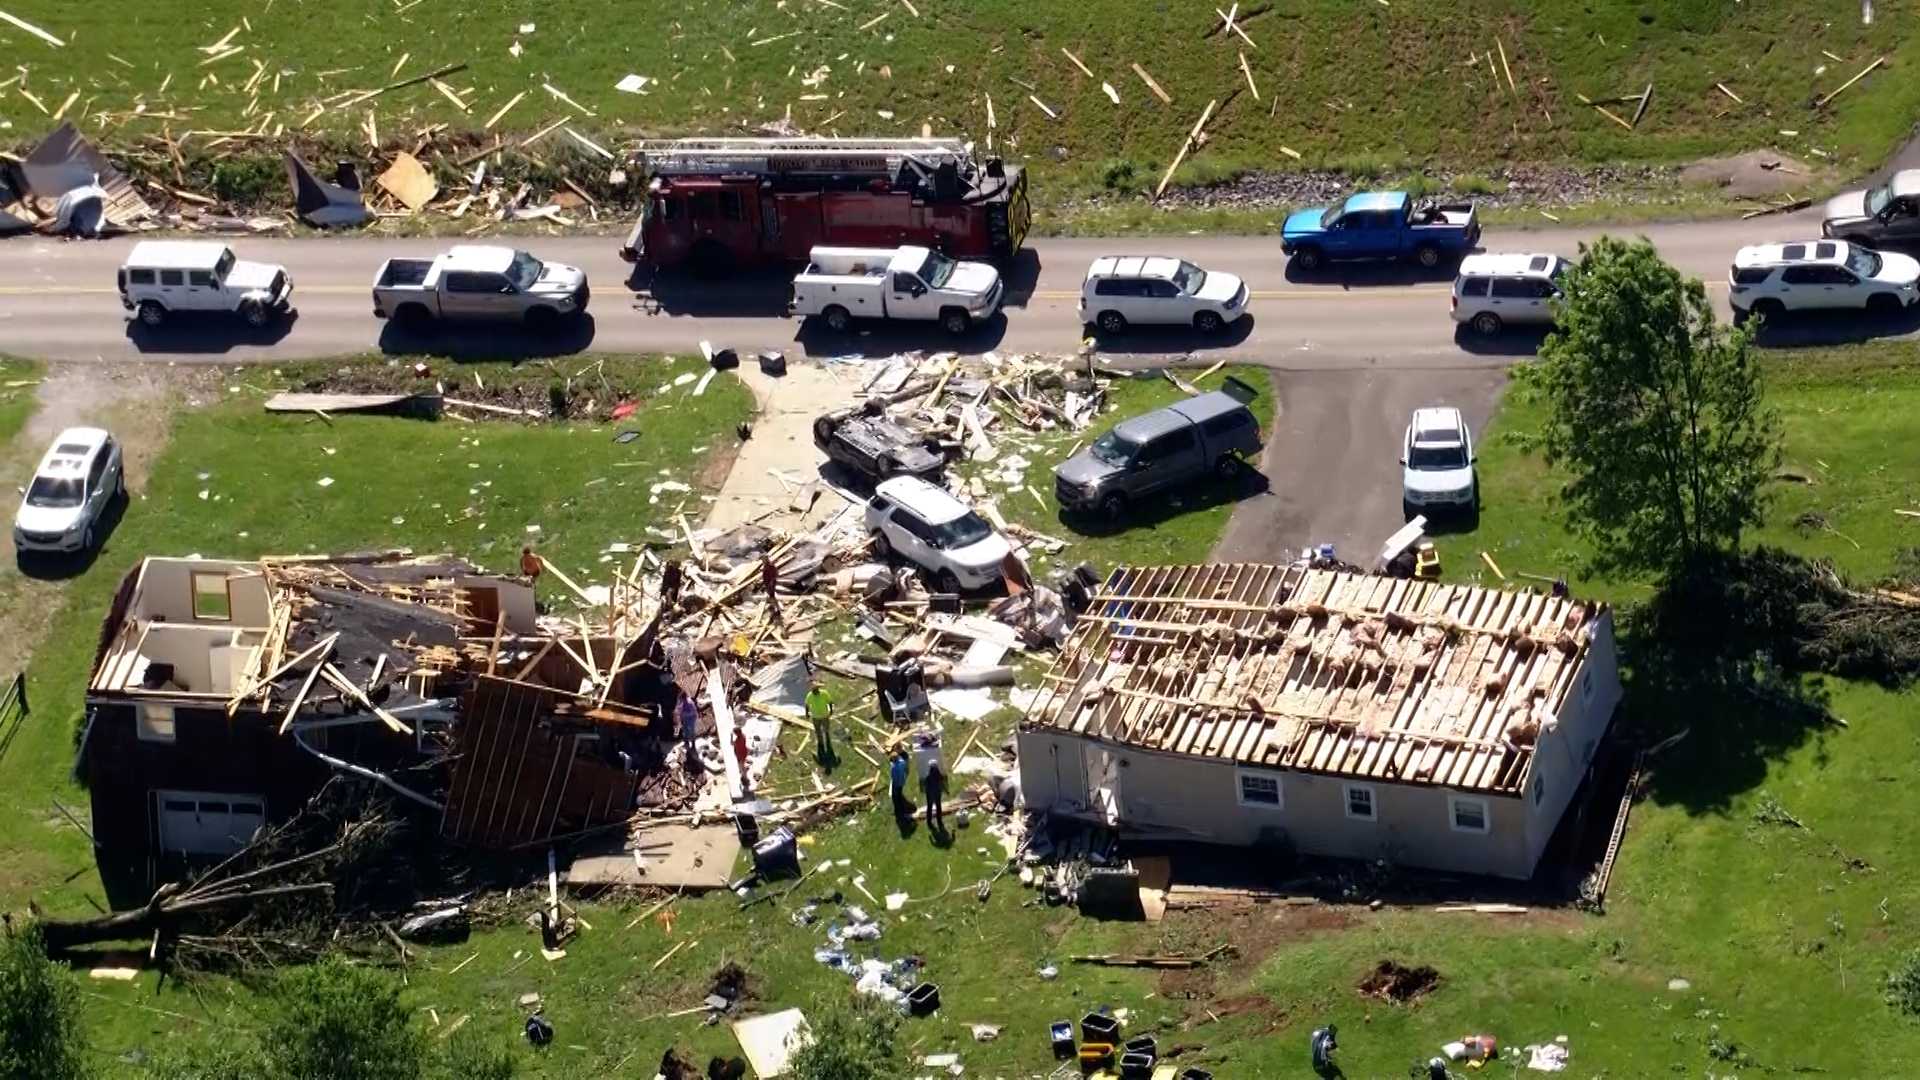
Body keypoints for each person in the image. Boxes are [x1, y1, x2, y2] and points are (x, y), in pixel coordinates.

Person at [804, 680, 834, 764]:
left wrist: (831, 710)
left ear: (818, 689)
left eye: (815, 689)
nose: (814, 691)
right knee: (818, 730)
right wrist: (807, 713)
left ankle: (827, 736)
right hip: (815, 716)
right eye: (813, 690)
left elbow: (830, 702)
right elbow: (807, 705)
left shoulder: (824, 693)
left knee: (826, 727)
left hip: (824, 715)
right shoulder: (809, 696)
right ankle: (820, 741)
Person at [760, 555, 783, 628]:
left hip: (771, 583)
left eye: (763, 559)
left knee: (771, 595)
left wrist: (772, 582)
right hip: (767, 583)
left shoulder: (771, 565)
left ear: (766, 559)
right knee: (771, 595)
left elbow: (776, 574)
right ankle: (774, 607)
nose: (763, 561)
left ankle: (776, 610)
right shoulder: (765, 566)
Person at [677, 693, 699, 769]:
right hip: (685, 720)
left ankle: (693, 745)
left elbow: (693, 712)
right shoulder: (681, 702)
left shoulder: (690, 702)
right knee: (685, 731)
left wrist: (684, 714)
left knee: (692, 732)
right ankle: (686, 742)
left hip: (691, 719)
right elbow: (679, 709)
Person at [923, 761, 946, 828]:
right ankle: (939, 821)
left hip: (930, 794)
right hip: (937, 793)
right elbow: (942, 783)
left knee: (929, 807)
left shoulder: (928, 776)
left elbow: (925, 785)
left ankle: (929, 821)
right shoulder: (939, 775)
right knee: (938, 807)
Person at [889, 751, 912, 820]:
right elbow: (905, 769)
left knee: (896, 795)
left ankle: (899, 808)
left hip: (897, 783)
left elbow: (893, 777)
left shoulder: (893, 767)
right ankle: (901, 799)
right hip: (902, 780)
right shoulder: (902, 762)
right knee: (899, 791)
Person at [730, 725, 751, 795]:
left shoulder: (737, 741)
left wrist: (731, 737)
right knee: (742, 765)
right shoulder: (743, 736)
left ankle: (745, 779)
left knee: (742, 767)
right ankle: (744, 774)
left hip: (740, 755)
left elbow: (731, 743)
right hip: (744, 753)